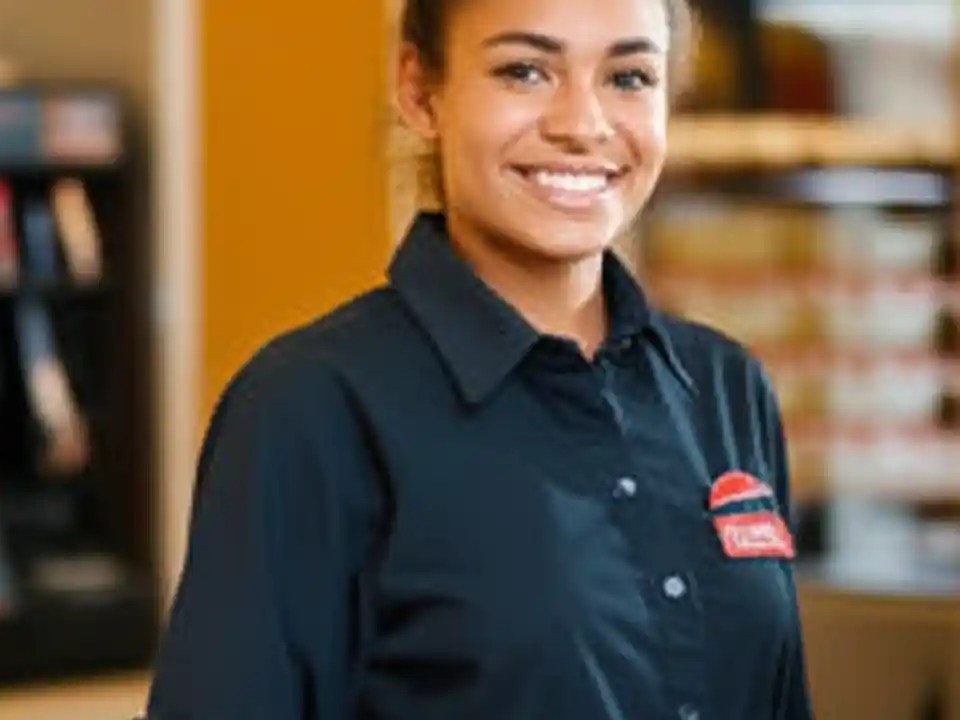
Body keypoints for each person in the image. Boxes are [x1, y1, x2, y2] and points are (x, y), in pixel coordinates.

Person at [147, 0, 814, 717]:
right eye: (524, 71)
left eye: (628, 77)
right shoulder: (311, 408)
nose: (582, 124)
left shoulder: (725, 388)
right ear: (419, 91)